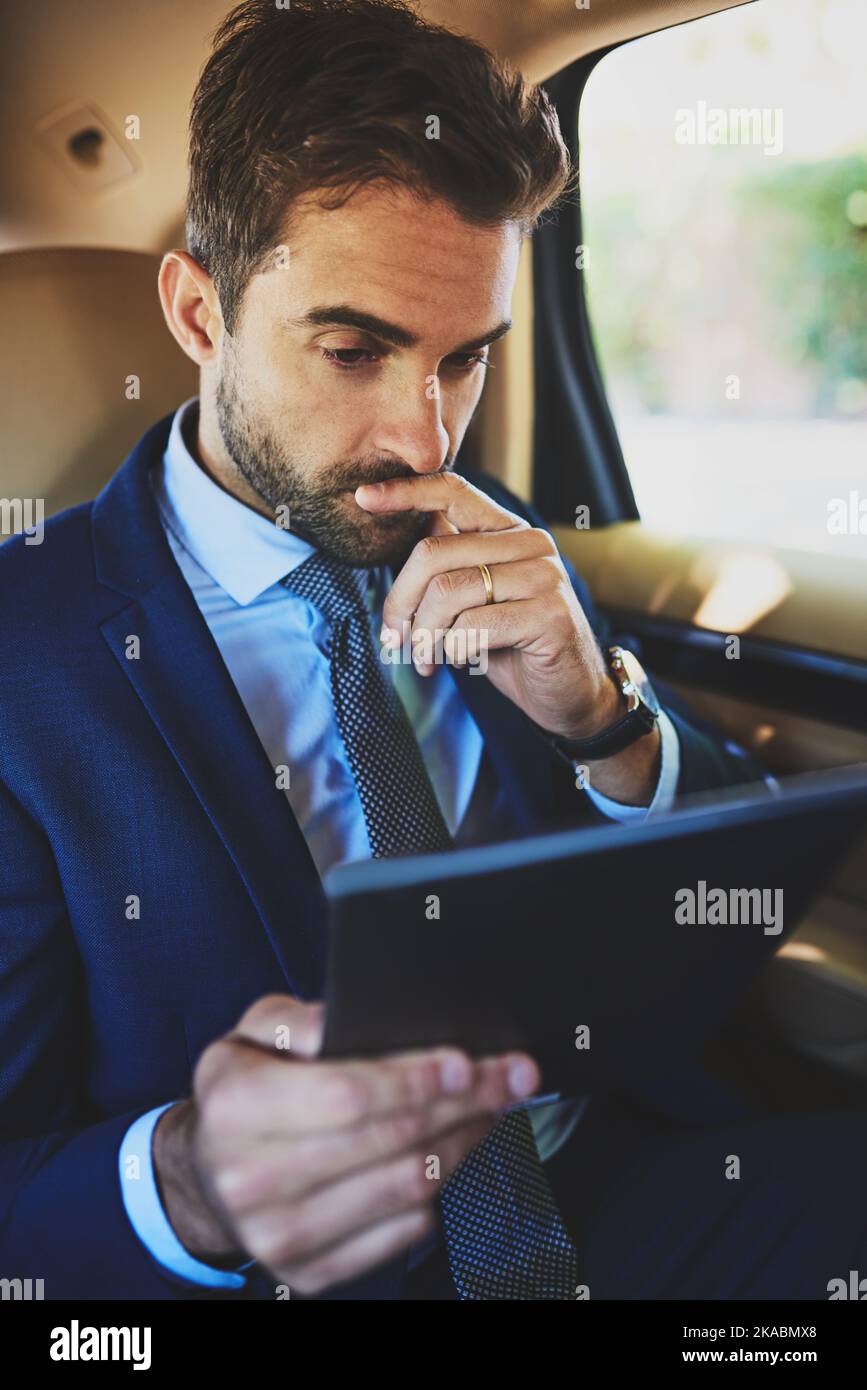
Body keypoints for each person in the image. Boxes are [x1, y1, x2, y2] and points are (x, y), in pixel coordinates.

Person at [1, 0, 863, 1302]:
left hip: (621, 1187)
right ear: (197, 312)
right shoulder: (27, 654)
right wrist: (192, 1182)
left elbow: (718, 919)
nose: (424, 440)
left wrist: (605, 718)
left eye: (467, 360)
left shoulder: (496, 538)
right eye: (354, 350)